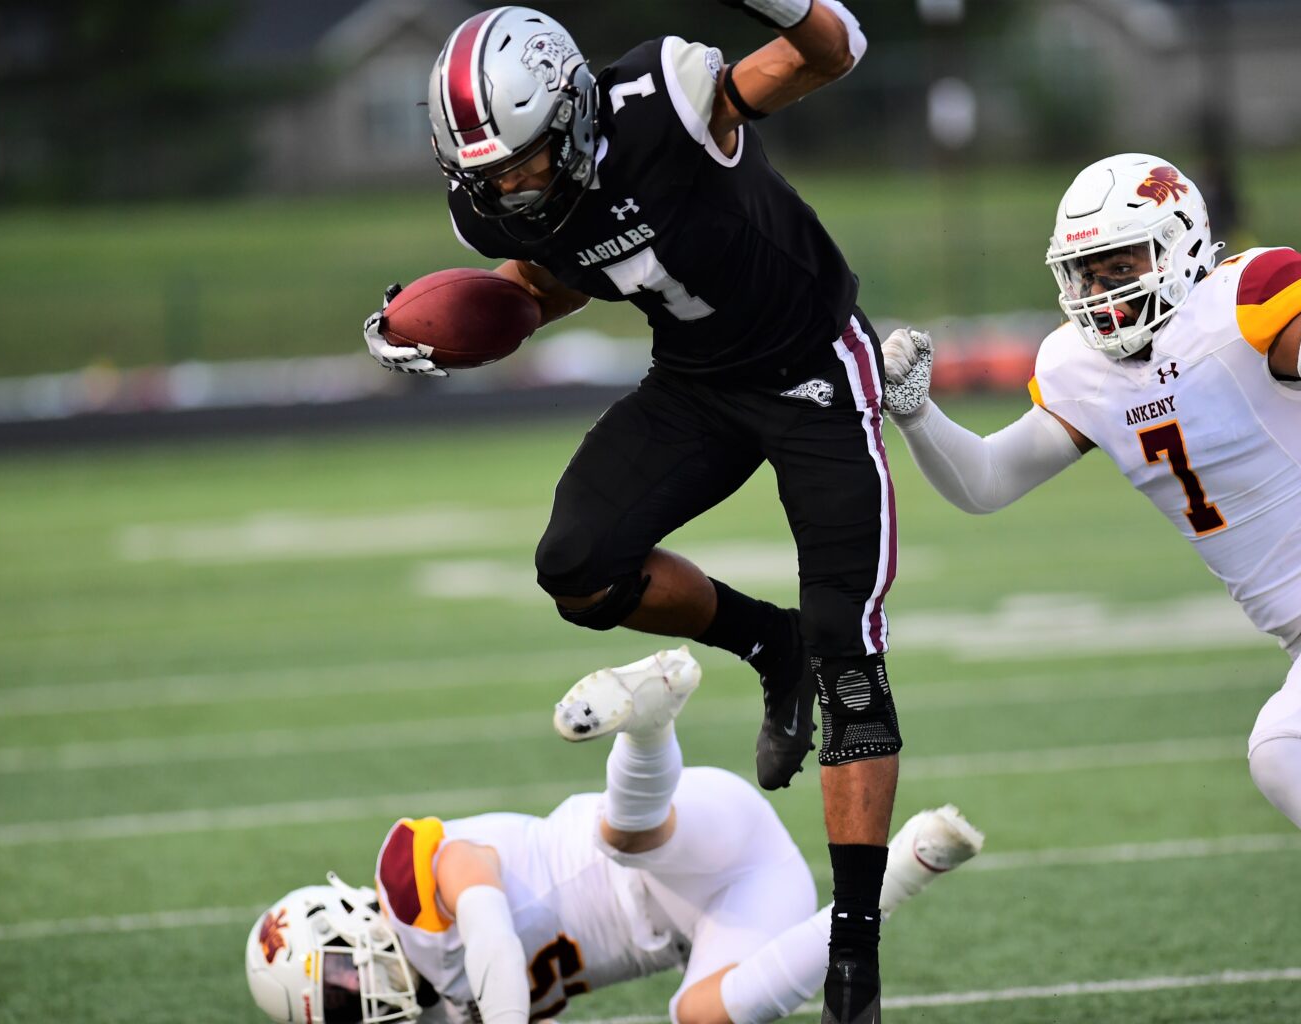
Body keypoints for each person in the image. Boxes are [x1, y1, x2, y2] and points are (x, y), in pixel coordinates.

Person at [877, 153, 1301, 1024]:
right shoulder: (1079, 367)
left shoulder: (1242, 305)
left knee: (1288, 750)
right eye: (1084, 272)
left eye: (1120, 265)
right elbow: (986, 482)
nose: (1100, 290)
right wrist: (917, 414)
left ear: (1177, 247)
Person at [362, 6, 901, 1017]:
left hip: (814, 367)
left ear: (569, 112)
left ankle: (854, 960)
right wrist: (491, 311)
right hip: (696, 381)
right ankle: (765, 642)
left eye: (524, 162)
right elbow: (560, 270)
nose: (508, 186)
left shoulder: (671, 102)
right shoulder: (495, 198)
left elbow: (835, 52)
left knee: (854, 666)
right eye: (491, 173)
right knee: (576, 564)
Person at [246, 648, 982, 1024]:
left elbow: (492, 936)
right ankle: (906, 867)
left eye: (342, 987)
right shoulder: (435, 1007)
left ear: (342, 925)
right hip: (733, 908)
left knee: (619, 838)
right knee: (698, 1015)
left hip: (685, 832)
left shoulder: (408, 877)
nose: (359, 1003)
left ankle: (650, 721)